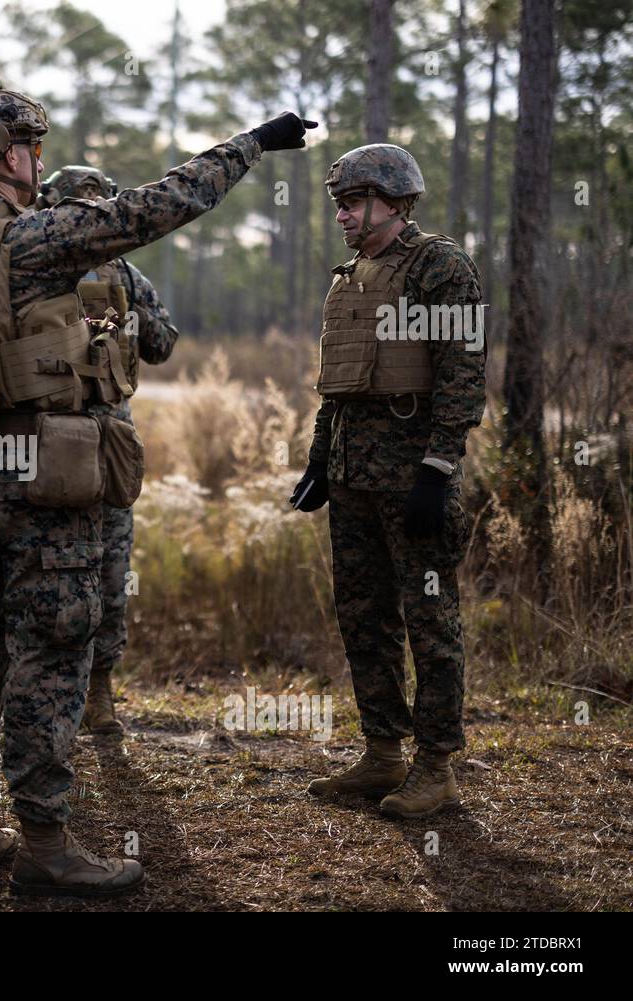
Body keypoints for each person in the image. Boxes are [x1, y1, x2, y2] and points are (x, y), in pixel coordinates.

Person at [0, 86, 315, 894]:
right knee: (53, 651)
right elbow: (161, 204)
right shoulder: (37, 237)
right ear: (12, 155)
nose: (37, 159)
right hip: (47, 484)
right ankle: (46, 844)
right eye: (30, 146)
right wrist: (253, 142)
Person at [292, 143, 486, 819]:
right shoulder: (349, 276)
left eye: (353, 202)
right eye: (339, 204)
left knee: (430, 618)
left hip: (412, 476)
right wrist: (320, 459)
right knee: (362, 618)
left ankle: (435, 765)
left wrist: (438, 467)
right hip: (351, 474)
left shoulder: (440, 266)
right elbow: (338, 385)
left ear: (393, 202)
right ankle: (382, 752)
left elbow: (463, 372)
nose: (342, 215)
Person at [37, 165, 180, 736]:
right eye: (79, 206)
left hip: (111, 444)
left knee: (112, 573)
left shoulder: (126, 273)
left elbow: (163, 345)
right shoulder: (38, 267)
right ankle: (42, 694)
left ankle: (99, 692)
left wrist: (127, 318)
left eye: (100, 207)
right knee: (45, 570)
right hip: (48, 441)